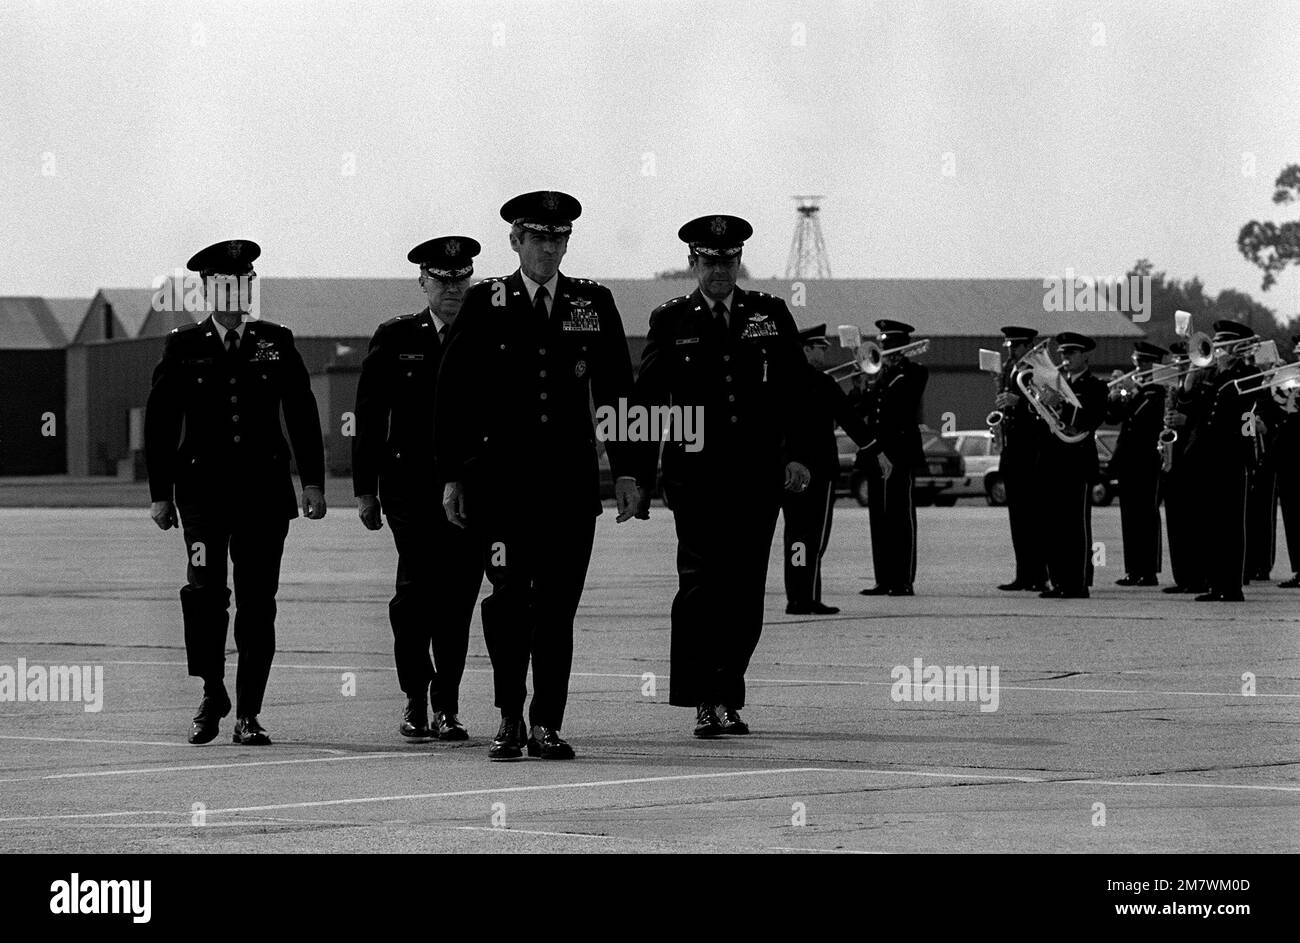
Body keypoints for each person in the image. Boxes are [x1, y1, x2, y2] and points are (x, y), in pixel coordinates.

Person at [435, 191, 642, 760]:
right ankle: (509, 717)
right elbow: (452, 393)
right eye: (537, 238)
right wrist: (452, 475)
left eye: (558, 238)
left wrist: (627, 472)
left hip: (570, 489)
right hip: (501, 488)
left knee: (556, 607)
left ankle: (547, 720)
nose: (548, 248)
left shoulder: (591, 302)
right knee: (506, 602)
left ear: (566, 243)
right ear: (516, 241)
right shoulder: (485, 301)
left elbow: (618, 391)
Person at [633, 214, 812, 738]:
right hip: (695, 478)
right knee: (700, 588)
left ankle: (728, 692)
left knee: (744, 589)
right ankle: (701, 699)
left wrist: (798, 454)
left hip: (756, 476)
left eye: (728, 261)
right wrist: (638, 475)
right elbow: (649, 402)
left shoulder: (769, 314)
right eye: (709, 261)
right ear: (693, 263)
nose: (719, 270)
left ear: (739, 262)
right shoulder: (671, 319)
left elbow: (795, 390)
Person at [145, 239, 326, 745]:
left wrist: (312, 481)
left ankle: (249, 712)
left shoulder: (276, 340)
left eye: (244, 282)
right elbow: (161, 423)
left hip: (264, 496)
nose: (235, 292)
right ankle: (212, 690)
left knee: (257, 603)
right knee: (204, 594)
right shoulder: (183, 345)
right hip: (201, 495)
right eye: (224, 284)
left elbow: (302, 413)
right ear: (207, 290)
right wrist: (160, 493)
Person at [352, 236, 485, 742]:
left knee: (458, 599)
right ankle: (415, 697)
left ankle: (446, 705)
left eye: (460, 278)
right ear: (423, 281)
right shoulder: (396, 337)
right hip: (409, 488)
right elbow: (369, 418)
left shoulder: (485, 334)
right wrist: (365, 489)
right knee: (414, 596)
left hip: (471, 487)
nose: (452, 288)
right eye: (442, 279)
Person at [781, 325, 872, 615]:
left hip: (788, 472)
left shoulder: (780, 381)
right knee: (814, 538)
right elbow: (850, 418)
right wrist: (874, 449)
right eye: (820, 348)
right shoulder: (822, 382)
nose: (824, 352)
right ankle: (807, 597)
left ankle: (796, 596)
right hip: (818, 470)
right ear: (806, 349)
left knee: (795, 535)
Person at [1179, 320, 1263, 601]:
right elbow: (1194, 410)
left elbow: (1247, 414)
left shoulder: (1249, 374)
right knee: (1212, 524)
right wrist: (1190, 378)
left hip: (1232, 457)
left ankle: (1232, 586)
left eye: (1222, 345)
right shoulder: (1214, 377)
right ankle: (1216, 584)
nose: (1217, 350)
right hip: (1210, 459)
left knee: (1230, 525)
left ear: (1236, 348)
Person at [854, 319, 927, 597]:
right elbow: (860, 408)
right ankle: (883, 579)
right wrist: (863, 384)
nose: (884, 350)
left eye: (889, 346)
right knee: (879, 517)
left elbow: (902, 402)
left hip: (900, 453)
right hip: (876, 454)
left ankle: (903, 579)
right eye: (882, 345)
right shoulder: (880, 376)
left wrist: (881, 375)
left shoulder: (914, 372)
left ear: (902, 347)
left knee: (900, 516)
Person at [1036, 332, 1107, 599]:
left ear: (1085, 356)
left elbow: (1090, 417)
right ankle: (1059, 581)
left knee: (1075, 525)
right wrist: (1041, 403)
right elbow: (1041, 421)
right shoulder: (1054, 383)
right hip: (1052, 461)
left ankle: (1077, 582)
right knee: (1052, 525)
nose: (1065, 359)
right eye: (1063, 354)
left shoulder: (1096, 386)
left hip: (1077, 460)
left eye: (1071, 354)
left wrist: (1061, 404)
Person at [1106, 341, 1168, 586]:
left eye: (1143, 363)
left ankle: (1149, 570)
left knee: (1146, 516)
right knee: (1129, 517)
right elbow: (1114, 417)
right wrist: (1114, 395)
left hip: (1148, 460)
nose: (1138, 367)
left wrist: (1130, 391)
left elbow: (1140, 415)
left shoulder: (1158, 390)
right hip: (1129, 460)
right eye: (1137, 362)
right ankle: (1134, 569)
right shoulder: (1139, 390)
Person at [993, 326, 1048, 592]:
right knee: (1018, 519)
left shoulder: (1039, 370)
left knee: (1034, 518)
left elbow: (1046, 408)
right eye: (1009, 347)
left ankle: (1039, 574)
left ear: (1028, 346)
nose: (1011, 351)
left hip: (1032, 452)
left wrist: (1020, 404)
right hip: (1013, 451)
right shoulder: (1009, 370)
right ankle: (1024, 573)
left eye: (1016, 346)